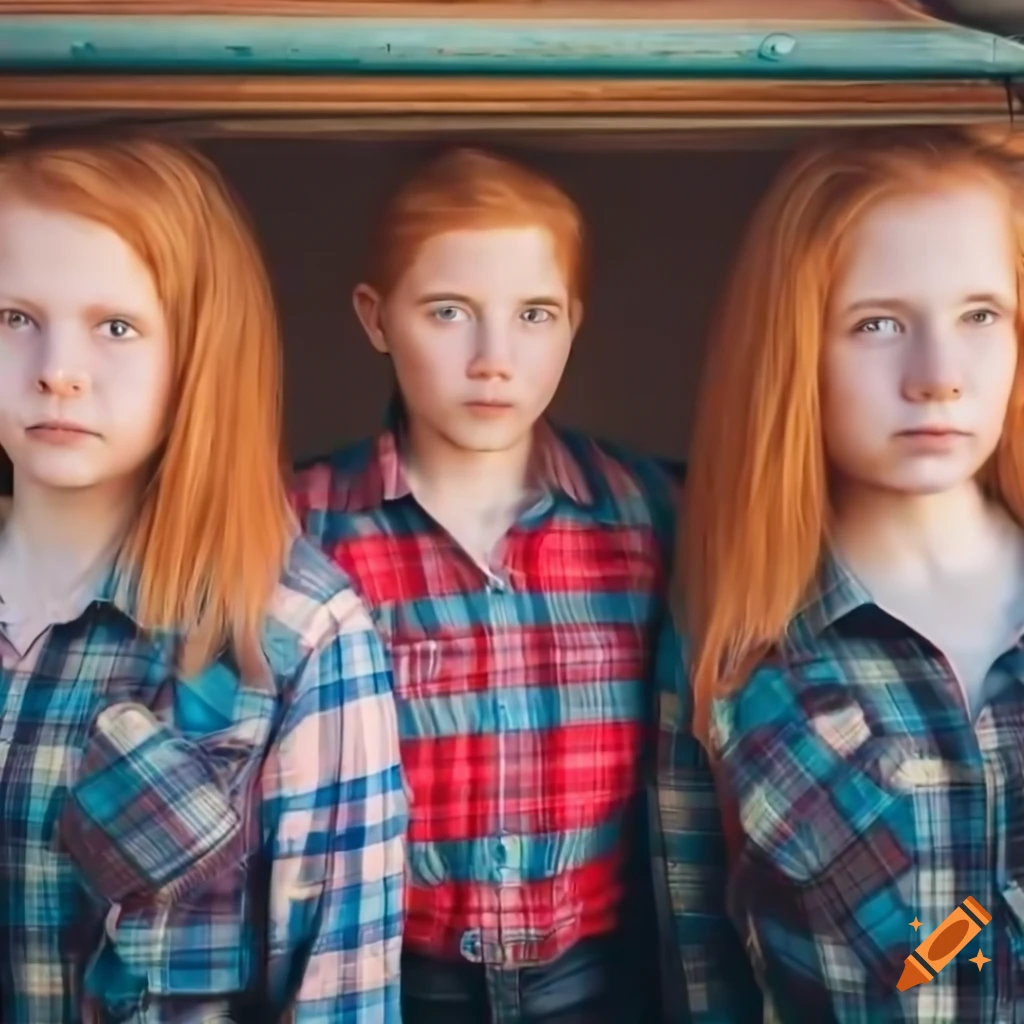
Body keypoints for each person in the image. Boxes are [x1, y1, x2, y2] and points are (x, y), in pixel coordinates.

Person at [0, 131, 407, 1023]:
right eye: (14, 318)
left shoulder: (297, 632)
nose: (56, 371)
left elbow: (339, 996)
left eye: (115, 327)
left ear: (198, 354)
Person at [291, 147, 674, 1024]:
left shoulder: (651, 516)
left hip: (599, 988)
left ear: (573, 321)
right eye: (449, 312)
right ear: (377, 317)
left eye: (534, 314)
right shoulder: (299, 524)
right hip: (390, 986)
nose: (493, 359)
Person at [657, 126, 1024, 1022]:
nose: (938, 377)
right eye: (878, 324)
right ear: (794, 350)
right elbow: (701, 982)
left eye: (981, 315)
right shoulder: (728, 653)